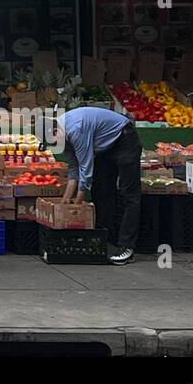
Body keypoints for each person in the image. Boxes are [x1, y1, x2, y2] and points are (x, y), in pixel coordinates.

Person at [54, 104, 140, 265]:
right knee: (101, 191)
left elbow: (86, 169)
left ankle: (127, 247)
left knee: (129, 193)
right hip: (105, 147)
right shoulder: (60, 135)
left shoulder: (75, 129)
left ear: (56, 132)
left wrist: (77, 206)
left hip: (124, 138)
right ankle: (106, 240)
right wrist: (65, 200)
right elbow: (74, 167)